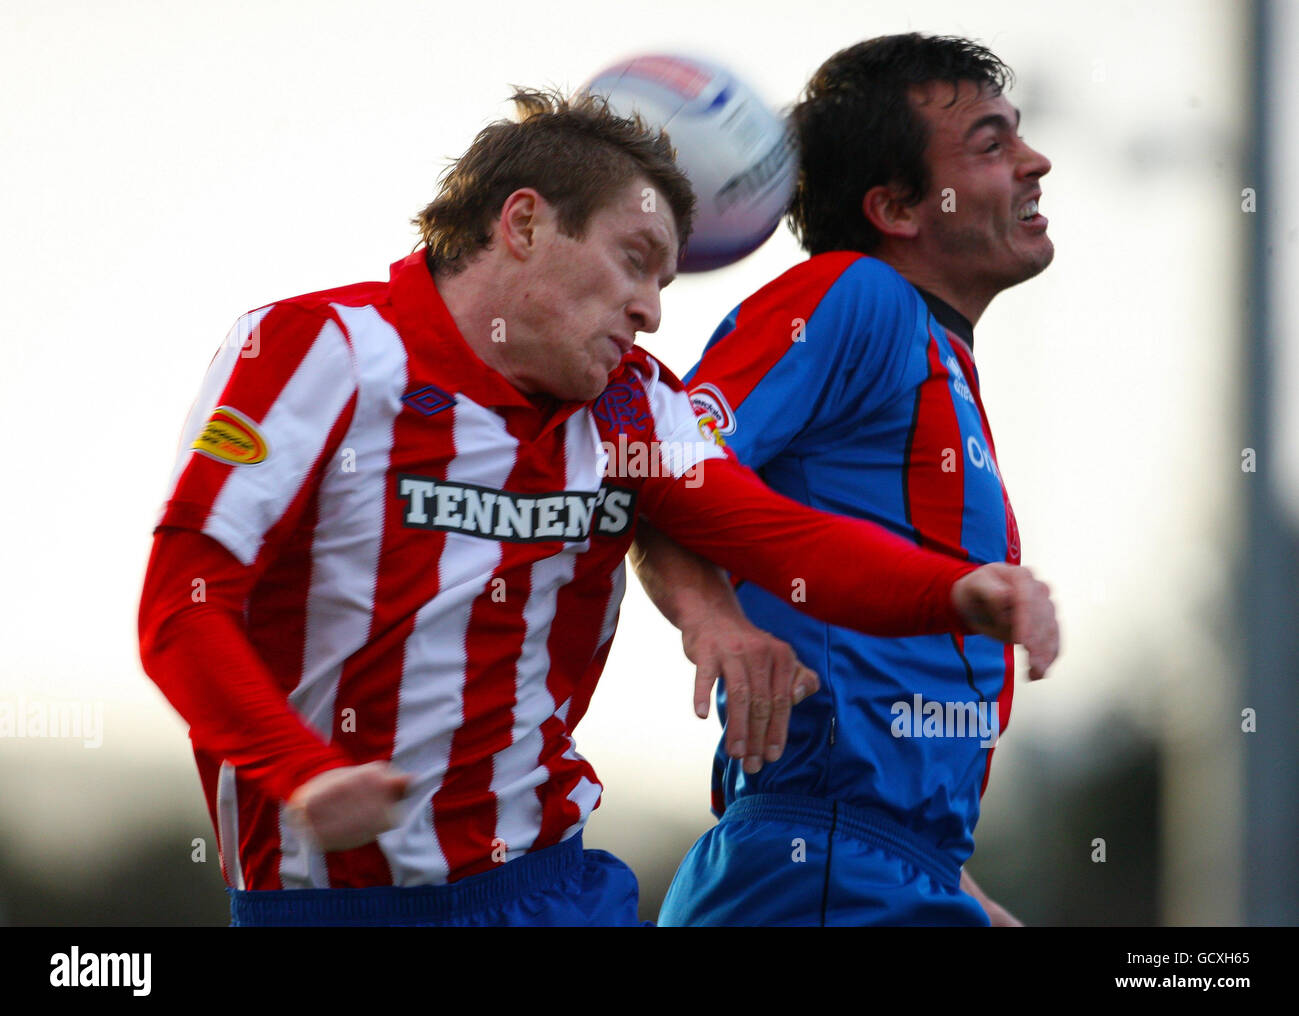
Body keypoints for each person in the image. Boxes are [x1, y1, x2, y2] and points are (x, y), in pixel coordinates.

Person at [137, 86, 1056, 927]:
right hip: (331, 908)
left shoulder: (629, 404)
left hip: (553, 889)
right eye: (636, 262)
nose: (652, 309)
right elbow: (183, 606)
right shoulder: (318, 349)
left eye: (665, 281)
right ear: (526, 224)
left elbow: (776, 537)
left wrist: (959, 593)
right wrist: (301, 772)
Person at [644, 34, 1058, 926]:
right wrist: (711, 618)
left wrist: (966, 898)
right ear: (897, 207)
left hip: (888, 869)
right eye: (991, 145)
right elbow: (661, 460)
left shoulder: (933, 353)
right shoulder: (852, 295)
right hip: (815, 872)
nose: (1036, 161)